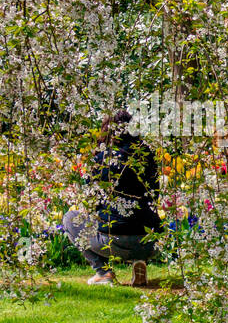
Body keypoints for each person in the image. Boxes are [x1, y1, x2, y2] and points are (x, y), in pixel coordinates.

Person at [63, 111, 160, 285]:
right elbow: (154, 195)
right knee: (141, 215)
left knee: (70, 219)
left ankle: (103, 272)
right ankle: (140, 262)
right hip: (149, 241)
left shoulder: (101, 158)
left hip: (113, 240)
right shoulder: (148, 156)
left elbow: (90, 198)